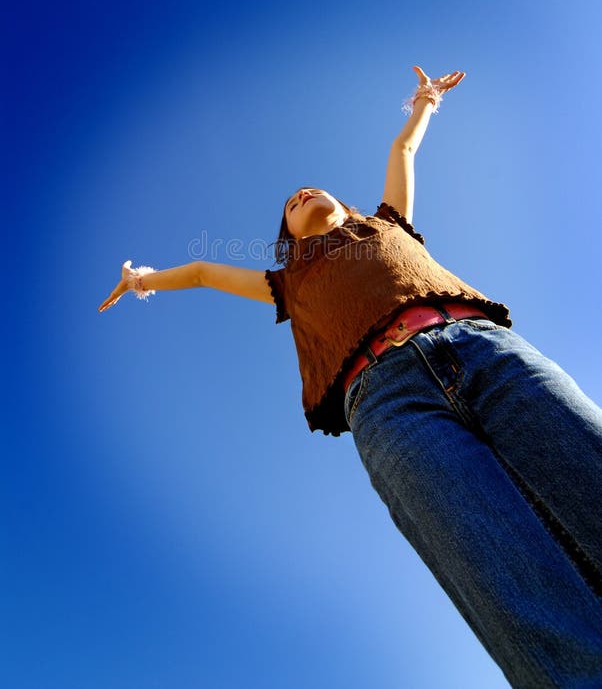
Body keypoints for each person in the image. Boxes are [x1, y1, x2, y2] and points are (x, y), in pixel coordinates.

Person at [99, 66, 602, 687]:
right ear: (287, 235)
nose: (303, 193)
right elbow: (203, 270)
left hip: (483, 351)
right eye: (290, 202)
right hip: (389, 405)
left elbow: (404, 147)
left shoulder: (390, 223)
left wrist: (425, 104)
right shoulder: (286, 282)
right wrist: (142, 280)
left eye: (309, 187)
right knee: (503, 575)